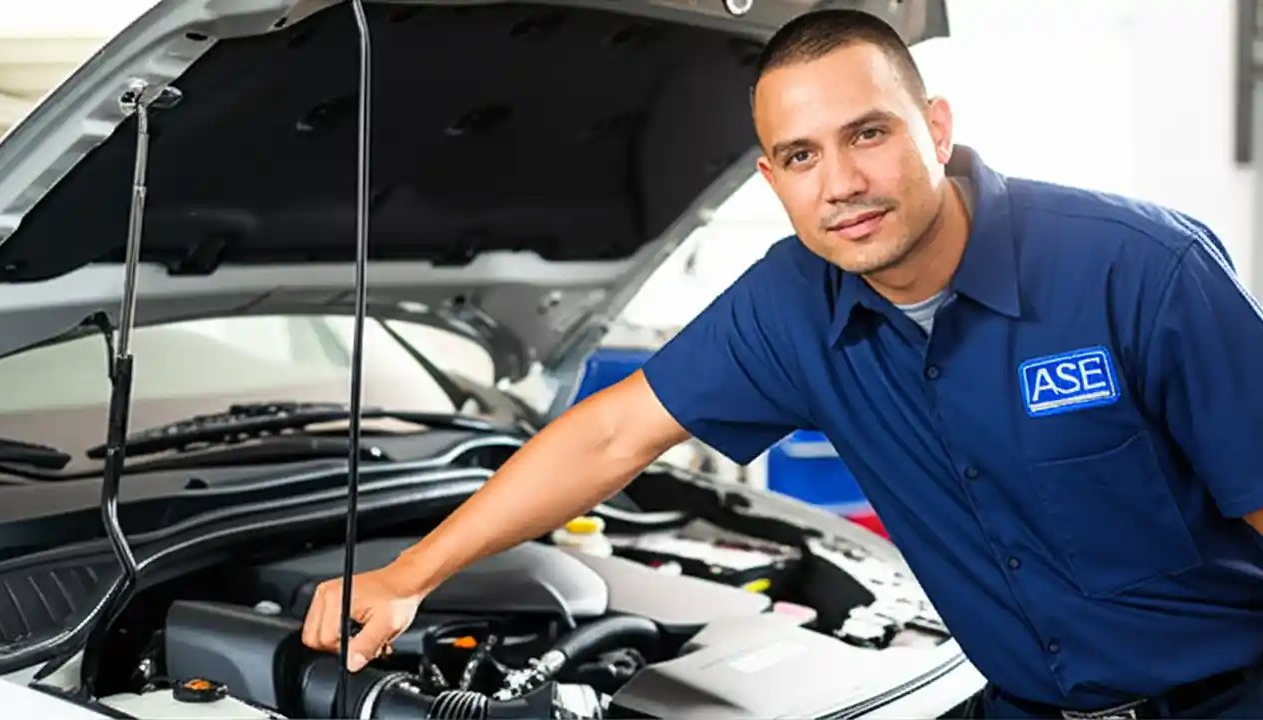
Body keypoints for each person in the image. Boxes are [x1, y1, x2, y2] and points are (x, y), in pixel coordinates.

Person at [301, 9, 1263, 718]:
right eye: (800, 156)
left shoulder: (1135, 270)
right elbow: (608, 436)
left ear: (935, 127)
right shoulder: (792, 299)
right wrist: (409, 576)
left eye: (868, 135)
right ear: (772, 178)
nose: (840, 183)